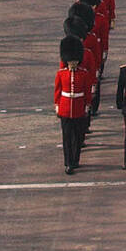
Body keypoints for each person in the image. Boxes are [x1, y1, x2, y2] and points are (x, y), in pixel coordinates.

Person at [55, 35, 93, 174]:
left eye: (75, 61)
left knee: (77, 136)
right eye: (70, 61)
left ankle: (75, 159)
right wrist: (57, 105)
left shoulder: (83, 74)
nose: (73, 63)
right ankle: (68, 162)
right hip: (65, 107)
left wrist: (87, 105)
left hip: (78, 108)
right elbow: (58, 91)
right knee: (66, 136)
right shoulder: (61, 74)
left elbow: (87, 91)